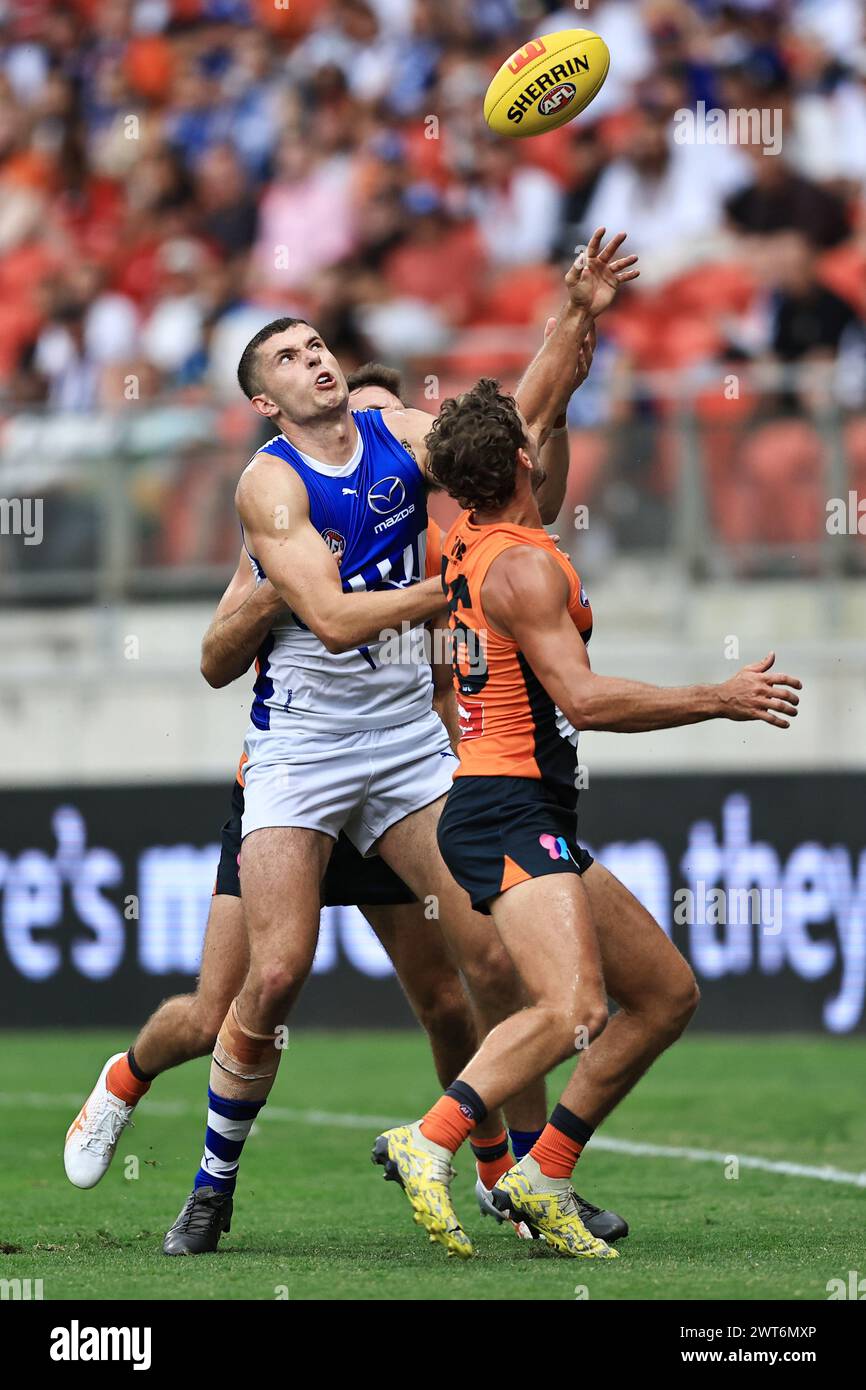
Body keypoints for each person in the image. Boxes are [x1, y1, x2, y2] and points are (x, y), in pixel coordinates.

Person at [158, 229, 639, 1255]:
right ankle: (211, 1182)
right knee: (275, 973)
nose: (313, 360)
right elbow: (330, 619)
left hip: (407, 745)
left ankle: (521, 1186)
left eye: (317, 346)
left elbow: (507, 427)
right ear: (263, 401)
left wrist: (576, 313)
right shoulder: (269, 484)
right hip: (302, 749)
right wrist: (458, 587)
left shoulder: (404, 433)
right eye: (286, 357)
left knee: (492, 964)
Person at [373, 377, 802, 1260]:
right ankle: (433, 1137)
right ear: (523, 460)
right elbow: (583, 697)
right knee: (572, 1007)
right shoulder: (527, 565)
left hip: (519, 806)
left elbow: (533, 440)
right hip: (505, 806)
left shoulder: (469, 538)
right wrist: (716, 696)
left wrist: (577, 332)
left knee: (664, 994)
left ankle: (543, 1172)